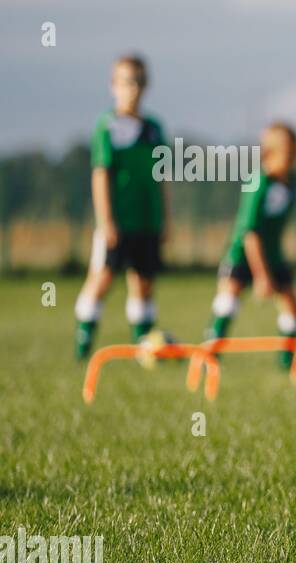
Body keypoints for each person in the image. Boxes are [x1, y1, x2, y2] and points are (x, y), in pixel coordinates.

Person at [75, 54, 170, 359]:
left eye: (140, 81)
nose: (134, 88)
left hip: (147, 220)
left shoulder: (154, 128)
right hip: (118, 221)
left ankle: (143, 346)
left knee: (143, 282)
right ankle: (84, 342)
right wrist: (106, 221)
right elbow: (101, 174)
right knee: (102, 278)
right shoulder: (107, 126)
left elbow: (161, 175)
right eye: (127, 81)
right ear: (113, 85)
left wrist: (165, 218)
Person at [205, 123, 296, 370]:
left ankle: (287, 364)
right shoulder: (257, 181)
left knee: (293, 309)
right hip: (242, 254)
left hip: (273, 256)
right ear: (269, 152)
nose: (290, 159)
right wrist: (261, 276)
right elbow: (250, 233)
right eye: (285, 153)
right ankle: (208, 358)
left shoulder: (291, 183)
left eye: (293, 153)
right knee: (227, 302)